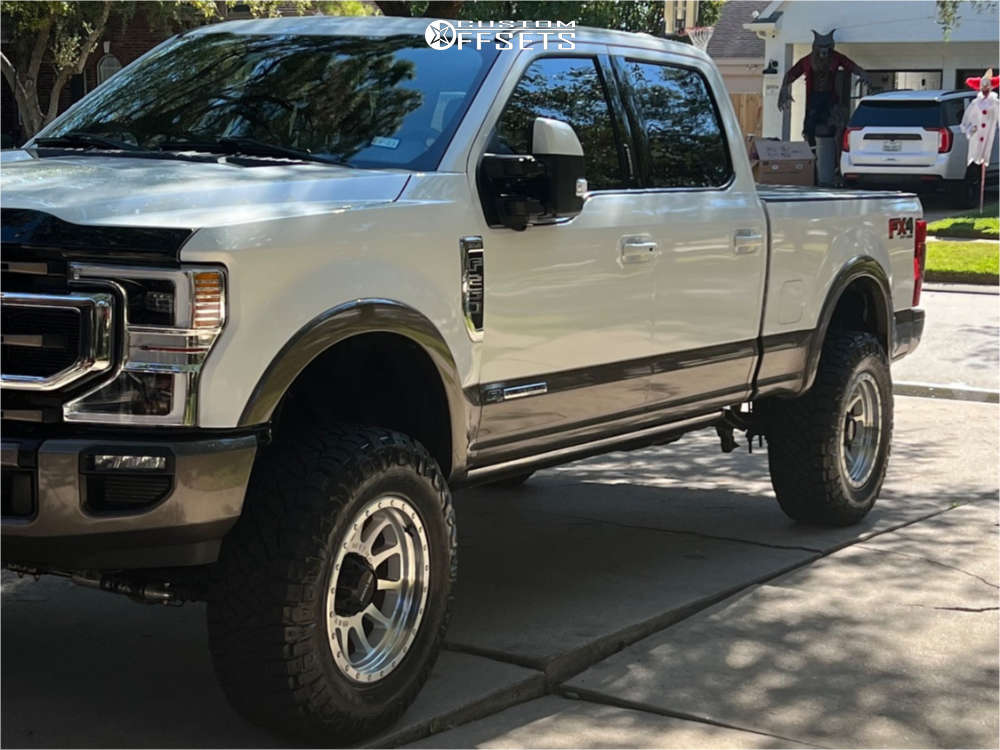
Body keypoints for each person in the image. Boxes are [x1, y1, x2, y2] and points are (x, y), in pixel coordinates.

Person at [778, 30, 870, 147]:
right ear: (816, 47)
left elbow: (851, 65)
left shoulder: (836, 58)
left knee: (838, 125)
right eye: (821, 47)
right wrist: (784, 87)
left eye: (826, 47)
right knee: (809, 127)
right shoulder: (808, 60)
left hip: (830, 97)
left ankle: (837, 156)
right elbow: (792, 74)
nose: (824, 50)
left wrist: (862, 73)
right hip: (814, 97)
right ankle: (812, 152)